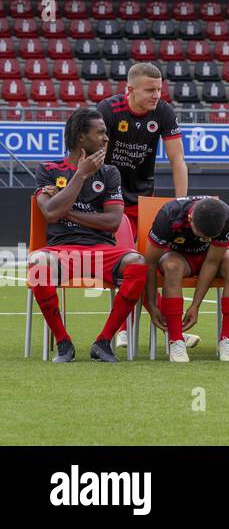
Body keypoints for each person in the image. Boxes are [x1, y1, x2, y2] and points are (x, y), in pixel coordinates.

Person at [28, 108, 147, 363]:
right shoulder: (48, 169)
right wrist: (80, 175)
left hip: (102, 251)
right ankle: (63, 343)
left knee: (137, 263)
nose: (106, 138)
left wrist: (65, 212)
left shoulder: (110, 173)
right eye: (101, 133)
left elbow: (113, 222)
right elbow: (49, 214)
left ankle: (103, 342)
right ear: (81, 138)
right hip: (63, 252)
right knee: (37, 263)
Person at [98, 61, 189, 349]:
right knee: (129, 262)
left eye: (159, 90)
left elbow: (177, 160)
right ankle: (134, 329)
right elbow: (95, 157)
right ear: (129, 90)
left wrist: (181, 203)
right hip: (111, 202)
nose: (156, 96)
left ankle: (161, 329)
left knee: (147, 263)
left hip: (145, 199)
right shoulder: (107, 111)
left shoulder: (163, 112)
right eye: (149, 90)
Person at [142, 196, 229, 362]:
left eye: (210, 237)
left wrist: (195, 305)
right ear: (190, 220)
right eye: (202, 236)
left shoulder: (227, 216)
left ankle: (227, 339)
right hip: (180, 257)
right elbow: (151, 263)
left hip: (210, 256)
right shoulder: (168, 215)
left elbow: (211, 262)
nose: (205, 240)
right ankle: (176, 340)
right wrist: (152, 304)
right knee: (172, 267)